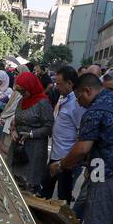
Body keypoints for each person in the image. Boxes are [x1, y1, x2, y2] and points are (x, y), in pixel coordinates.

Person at [50, 73, 113, 224]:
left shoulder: (95, 110)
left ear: (87, 90)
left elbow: (82, 149)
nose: (79, 103)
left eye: (79, 97)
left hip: (103, 174)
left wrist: (59, 165)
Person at [43, 66, 84, 202]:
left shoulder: (77, 104)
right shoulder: (65, 99)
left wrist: (72, 159)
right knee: (46, 191)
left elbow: (81, 133)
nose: (56, 86)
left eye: (59, 84)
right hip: (56, 154)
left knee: (63, 197)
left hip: (66, 158)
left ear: (69, 83)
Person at [9, 71, 54, 192]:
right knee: (14, 180)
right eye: (20, 92)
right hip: (18, 146)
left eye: (23, 91)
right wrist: (13, 129)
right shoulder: (22, 101)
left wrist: (31, 134)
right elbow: (17, 119)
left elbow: (49, 127)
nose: (22, 94)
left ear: (31, 87)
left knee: (28, 183)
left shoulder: (43, 103)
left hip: (34, 149)